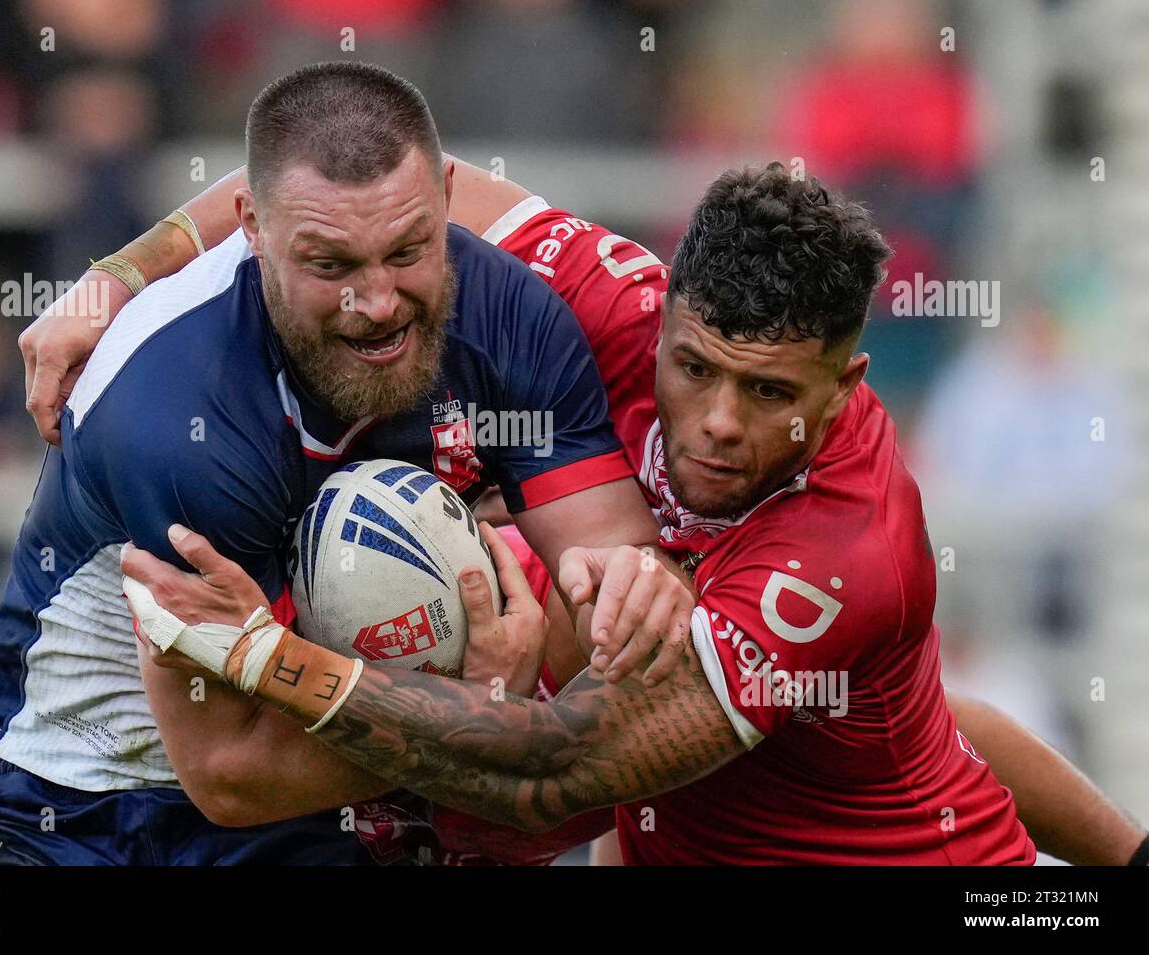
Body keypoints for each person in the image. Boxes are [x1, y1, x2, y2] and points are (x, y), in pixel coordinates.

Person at [121, 162, 1149, 864]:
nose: (714, 424)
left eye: (769, 395)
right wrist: (118, 277)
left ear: (844, 388)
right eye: (693, 368)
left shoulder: (837, 551)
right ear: (663, 312)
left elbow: (549, 768)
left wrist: (263, 660)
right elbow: (357, 170)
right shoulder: (617, 306)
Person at [0, 62, 694, 866]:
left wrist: (589, 642)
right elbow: (231, 775)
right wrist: (474, 713)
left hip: (333, 788)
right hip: (102, 799)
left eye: (408, 252)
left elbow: (622, 591)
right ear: (251, 230)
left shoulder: (518, 319)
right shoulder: (179, 410)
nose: (378, 302)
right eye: (332, 267)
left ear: (445, 196)